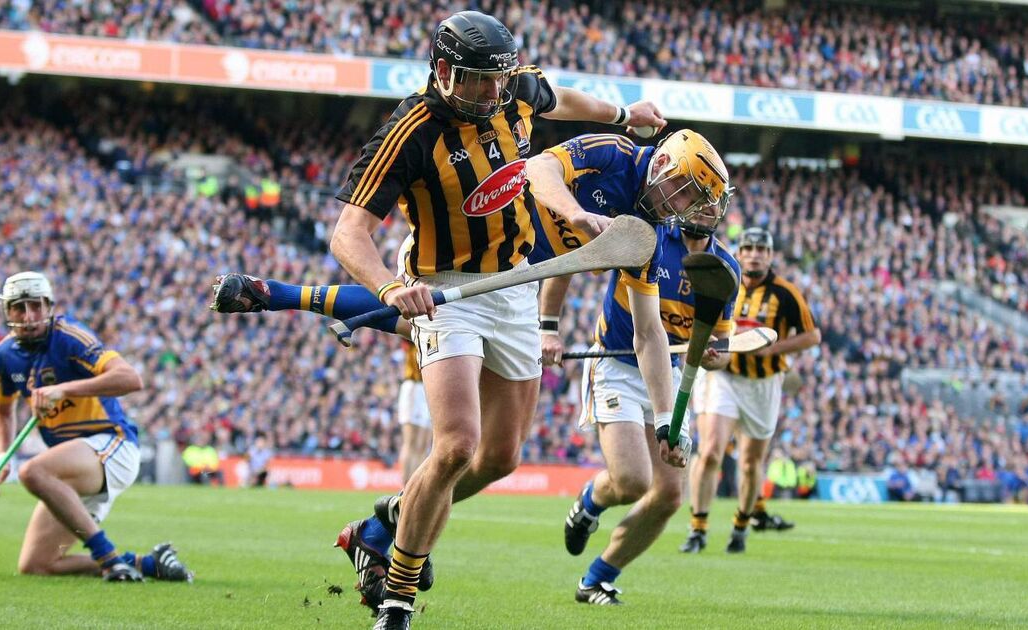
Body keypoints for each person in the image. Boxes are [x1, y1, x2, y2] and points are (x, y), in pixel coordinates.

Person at [325, 10, 666, 628]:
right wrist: (390, 287)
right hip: (444, 288)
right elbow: (348, 233)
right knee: (457, 445)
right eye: (478, 79)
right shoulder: (410, 131)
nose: (491, 91)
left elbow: (562, 97)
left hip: (514, 287)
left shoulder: (515, 89)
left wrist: (623, 115)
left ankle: (384, 523)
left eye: (498, 78)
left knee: (501, 457)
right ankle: (398, 597)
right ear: (443, 70)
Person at [534, 130, 737, 604]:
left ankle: (597, 578)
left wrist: (709, 361)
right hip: (619, 366)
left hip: (668, 375)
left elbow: (719, 345)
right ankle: (591, 502)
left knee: (668, 496)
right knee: (632, 480)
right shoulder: (647, 233)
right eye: (690, 195)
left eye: (706, 201)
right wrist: (548, 326)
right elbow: (575, 263)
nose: (696, 208)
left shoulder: (725, 267)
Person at [0, 271, 192, 582]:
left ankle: (109, 559)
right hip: (71, 468)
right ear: (7, 311)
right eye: (19, 308)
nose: (28, 316)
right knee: (37, 564)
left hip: (111, 445)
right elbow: (2, 411)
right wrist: (2, 455)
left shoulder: (70, 337)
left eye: (36, 306)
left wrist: (63, 390)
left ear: (49, 306)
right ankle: (148, 564)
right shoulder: (4, 356)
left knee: (32, 472)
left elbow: (130, 378)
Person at [682, 227, 821, 554]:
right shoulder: (723, 282)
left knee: (750, 462)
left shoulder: (786, 293)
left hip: (763, 384)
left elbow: (812, 336)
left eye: (761, 249)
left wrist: (772, 349)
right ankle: (697, 528)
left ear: (770, 256)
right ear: (739, 253)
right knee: (710, 450)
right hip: (723, 377)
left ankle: (741, 526)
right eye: (748, 248)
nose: (754, 255)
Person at [396, 341, 431, 484]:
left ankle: (417, 488)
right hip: (414, 385)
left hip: (430, 386)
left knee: (423, 444)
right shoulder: (414, 332)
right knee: (411, 442)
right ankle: (405, 489)